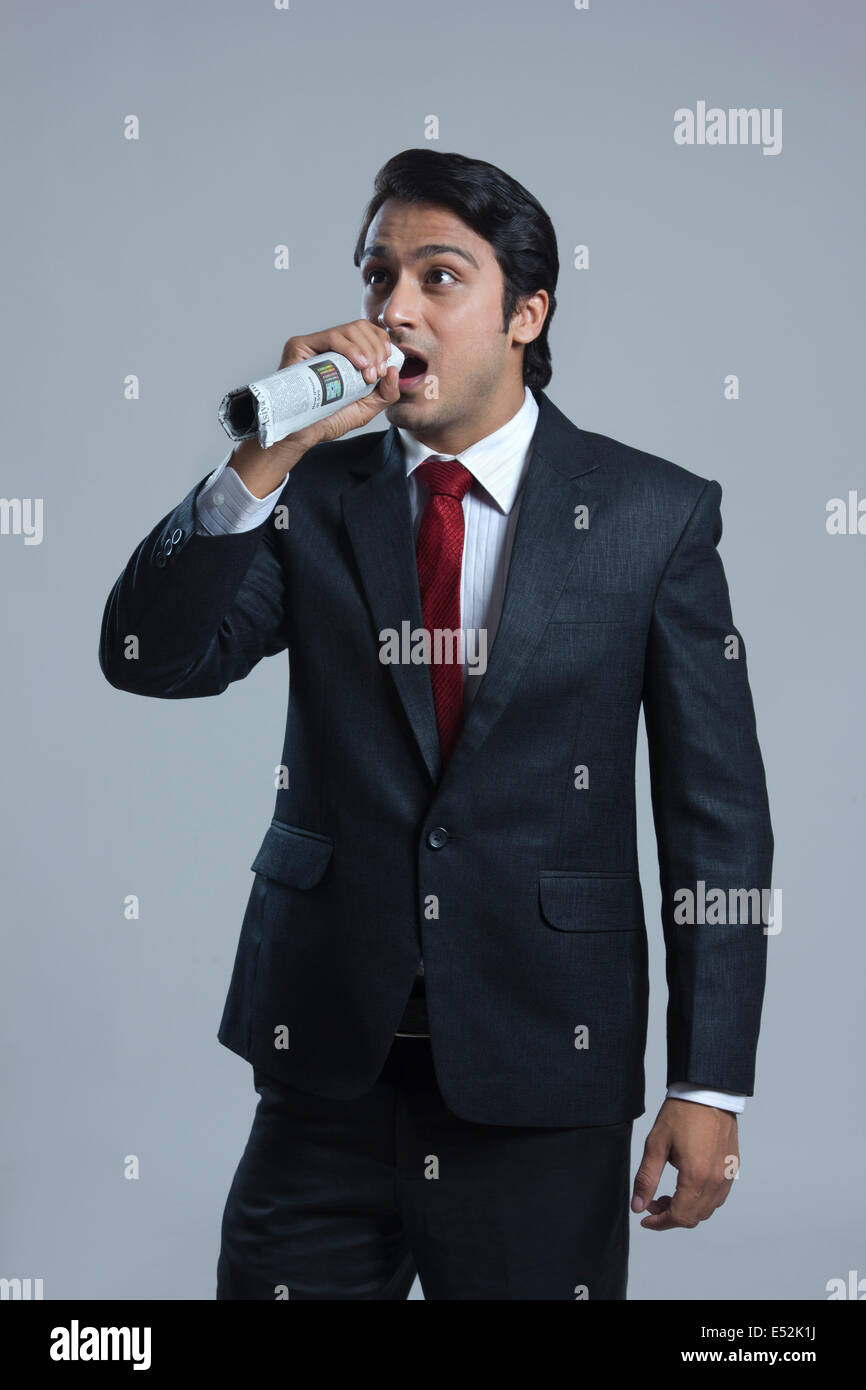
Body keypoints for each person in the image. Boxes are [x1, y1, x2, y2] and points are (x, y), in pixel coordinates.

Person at [99, 147, 773, 1300]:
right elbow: (149, 659)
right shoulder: (311, 494)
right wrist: (264, 454)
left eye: (437, 277)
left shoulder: (652, 515)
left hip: (539, 1073)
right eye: (375, 277)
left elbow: (716, 818)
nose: (391, 310)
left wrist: (707, 1083)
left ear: (525, 311)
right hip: (324, 1068)